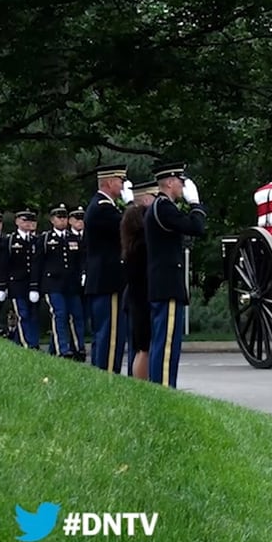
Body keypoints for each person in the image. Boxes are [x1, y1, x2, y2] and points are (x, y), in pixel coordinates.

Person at [145, 162, 206, 388]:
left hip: (163, 281)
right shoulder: (164, 207)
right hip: (167, 283)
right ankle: (163, 387)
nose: (182, 186)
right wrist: (196, 204)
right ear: (169, 182)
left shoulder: (159, 207)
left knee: (162, 339)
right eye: (180, 182)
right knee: (167, 341)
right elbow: (196, 228)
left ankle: (159, 385)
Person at [84, 163, 132, 372]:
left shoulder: (102, 206)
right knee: (111, 334)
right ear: (109, 182)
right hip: (108, 280)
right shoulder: (103, 208)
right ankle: (107, 377)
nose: (122, 186)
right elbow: (129, 227)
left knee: (105, 332)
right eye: (120, 181)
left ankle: (101, 374)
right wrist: (133, 205)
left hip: (104, 279)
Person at [120, 181, 158, 379]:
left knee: (141, 347)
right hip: (141, 298)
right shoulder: (141, 244)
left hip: (135, 297)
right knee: (144, 348)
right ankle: (143, 384)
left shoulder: (132, 241)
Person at [34, 203, 82, 359]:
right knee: (59, 314)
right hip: (52, 284)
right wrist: (35, 286)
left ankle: (77, 347)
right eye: (59, 217)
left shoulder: (73, 238)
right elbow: (37, 263)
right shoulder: (46, 238)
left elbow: (80, 260)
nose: (62, 221)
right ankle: (63, 348)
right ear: (52, 220)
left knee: (76, 315)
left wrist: (83, 274)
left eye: (64, 217)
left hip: (71, 283)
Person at [0, 207, 42, 347]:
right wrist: (2, 286)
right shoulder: (10, 241)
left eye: (30, 220)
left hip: (33, 284)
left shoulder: (36, 240)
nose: (28, 223)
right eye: (24, 220)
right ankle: (27, 343)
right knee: (23, 314)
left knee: (34, 315)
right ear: (17, 221)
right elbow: (3, 264)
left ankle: (31, 342)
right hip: (16, 284)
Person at [67, 205, 88, 361]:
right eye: (77, 219)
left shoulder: (89, 236)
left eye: (82, 219)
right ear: (70, 221)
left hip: (88, 281)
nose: (80, 222)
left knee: (82, 316)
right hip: (71, 283)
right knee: (71, 315)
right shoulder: (66, 237)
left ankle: (79, 346)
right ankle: (72, 346)